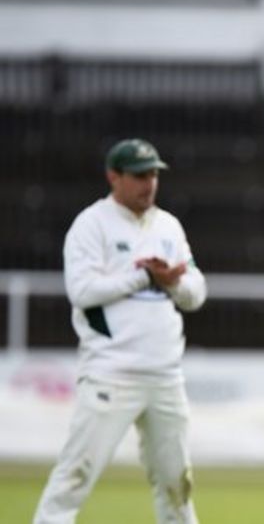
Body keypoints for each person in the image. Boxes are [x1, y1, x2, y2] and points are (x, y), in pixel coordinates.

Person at [34, 139, 206, 524]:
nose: (149, 184)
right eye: (139, 175)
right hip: (111, 373)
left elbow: (195, 293)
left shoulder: (168, 226)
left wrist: (171, 283)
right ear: (114, 176)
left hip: (165, 375)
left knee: (177, 484)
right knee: (73, 478)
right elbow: (82, 291)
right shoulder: (91, 225)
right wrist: (143, 276)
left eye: (154, 175)